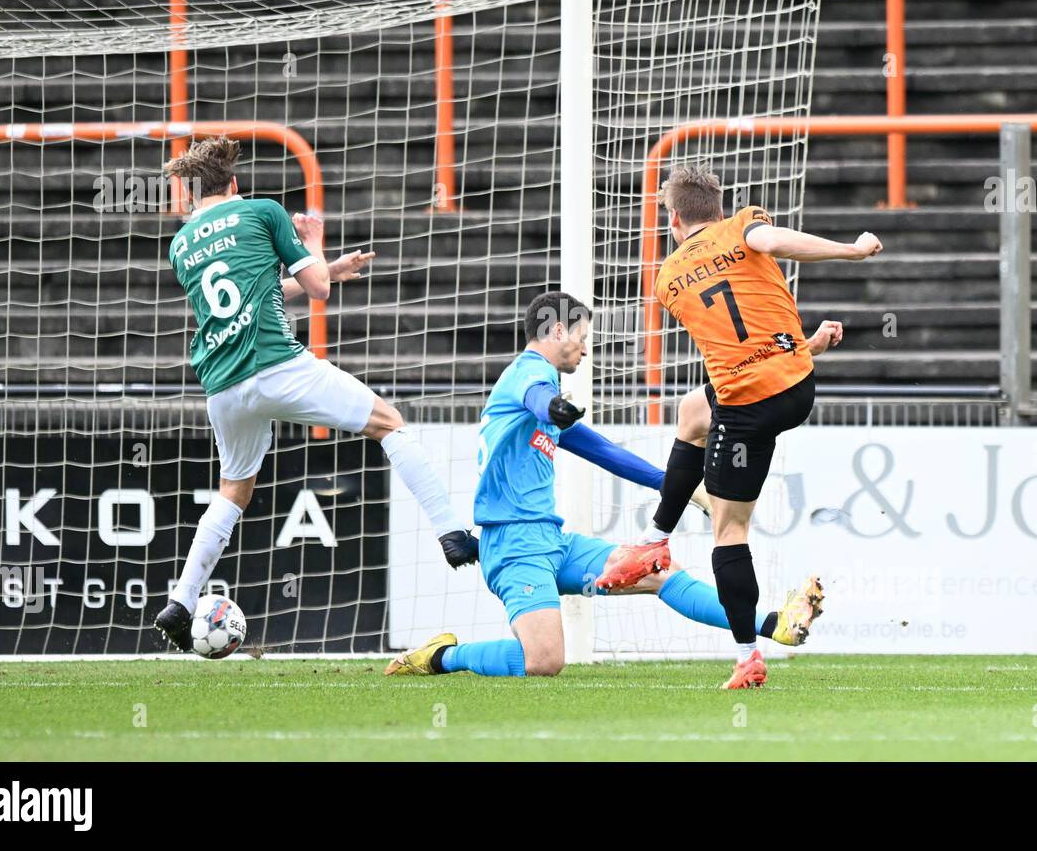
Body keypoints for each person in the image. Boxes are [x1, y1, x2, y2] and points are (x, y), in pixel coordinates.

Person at [384, 291, 824, 678]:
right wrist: (553, 406)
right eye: (582, 337)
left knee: (657, 571)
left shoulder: (541, 395)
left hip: (551, 541)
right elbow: (537, 398)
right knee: (543, 662)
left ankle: (773, 625)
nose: (586, 350)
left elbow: (606, 453)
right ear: (556, 329)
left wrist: (681, 487)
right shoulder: (528, 374)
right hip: (514, 546)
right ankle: (441, 657)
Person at [154, 136, 474, 650]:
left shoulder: (183, 242)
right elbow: (318, 288)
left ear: (191, 195)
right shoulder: (263, 211)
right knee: (388, 422)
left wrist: (330, 270)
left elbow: (255, 291)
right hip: (277, 364)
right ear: (234, 183)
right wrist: (318, 246)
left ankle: (181, 602)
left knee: (233, 490)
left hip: (222, 383)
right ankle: (451, 532)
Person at [595, 167, 881, 688]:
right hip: (796, 383)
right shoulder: (745, 225)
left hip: (748, 406)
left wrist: (848, 251)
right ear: (720, 209)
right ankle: (654, 540)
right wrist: (851, 252)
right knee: (692, 412)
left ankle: (748, 656)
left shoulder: (666, 281)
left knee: (729, 532)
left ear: (675, 219)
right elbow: (768, 252)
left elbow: (728, 327)